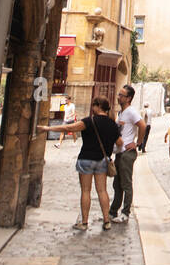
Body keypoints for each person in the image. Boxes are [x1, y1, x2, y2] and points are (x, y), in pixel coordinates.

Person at [36, 96, 119, 230]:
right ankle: (106, 220)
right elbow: (119, 143)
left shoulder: (89, 121)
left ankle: (85, 222)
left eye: (93, 106)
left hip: (86, 158)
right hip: (102, 161)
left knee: (86, 191)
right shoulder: (112, 124)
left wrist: (47, 129)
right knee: (102, 190)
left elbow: (69, 127)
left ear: (97, 106)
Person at [110, 85, 145, 222]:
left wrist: (137, 143)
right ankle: (113, 211)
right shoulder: (121, 113)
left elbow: (142, 125)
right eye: (119, 94)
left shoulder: (131, 112)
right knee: (117, 183)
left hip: (126, 153)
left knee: (126, 183)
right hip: (119, 152)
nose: (119, 97)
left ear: (129, 98)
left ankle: (125, 213)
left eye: (122, 95)